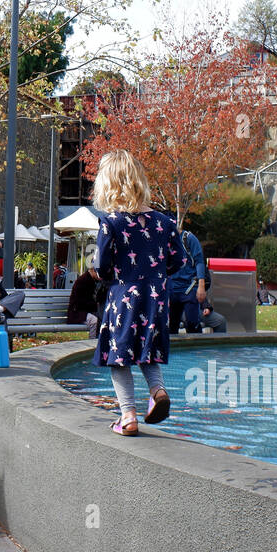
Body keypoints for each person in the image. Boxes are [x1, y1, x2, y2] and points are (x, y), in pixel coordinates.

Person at [92, 150, 187, 436]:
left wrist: (111, 274)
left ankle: (128, 416)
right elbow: (178, 261)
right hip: (156, 298)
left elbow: (102, 265)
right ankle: (157, 390)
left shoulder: (111, 223)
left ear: (108, 185)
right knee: (148, 350)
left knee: (119, 357)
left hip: (123, 297)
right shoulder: (165, 223)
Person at [167, 221, 208, 337]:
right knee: (171, 325)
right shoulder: (165, 239)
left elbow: (199, 261)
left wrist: (201, 285)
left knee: (192, 322)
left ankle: (196, 352)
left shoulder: (188, 238)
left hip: (189, 287)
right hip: (172, 288)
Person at [67, 261, 101, 339]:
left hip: (85, 311)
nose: (100, 276)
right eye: (98, 273)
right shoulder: (83, 281)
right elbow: (80, 303)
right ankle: (93, 342)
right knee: (94, 321)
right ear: (92, 270)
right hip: (77, 313)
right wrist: (96, 305)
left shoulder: (92, 280)